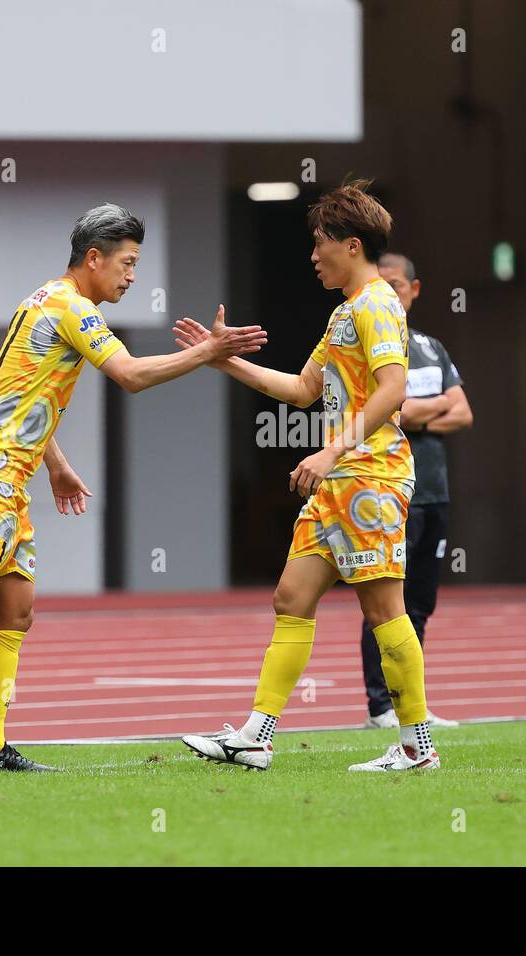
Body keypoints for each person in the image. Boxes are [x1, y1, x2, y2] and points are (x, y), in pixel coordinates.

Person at [0, 204, 266, 774]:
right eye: (127, 263)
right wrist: (208, 352)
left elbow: (16, 390)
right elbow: (131, 376)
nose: (132, 276)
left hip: (10, 475)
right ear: (94, 259)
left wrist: (54, 461)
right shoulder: (73, 308)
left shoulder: (43, 299)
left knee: (15, 608)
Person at [175, 180, 440, 772]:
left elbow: (393, 390)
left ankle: (418, 748)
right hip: (340, 481)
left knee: (384, 612)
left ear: (352, 244)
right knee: (291, 598)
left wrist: (328, 453)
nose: (313, 255)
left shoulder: (376, 304)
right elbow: (302, 389)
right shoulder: (344, 312)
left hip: (370, 477)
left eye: (320, 243)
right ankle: (256, 736)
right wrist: (223, 360)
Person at [359, 252, 472, 729]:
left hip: (434, 490)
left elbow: (464, 413)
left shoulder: (430, 346)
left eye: (398, 285)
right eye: (382, 284)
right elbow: (388, 413)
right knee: (386, 602)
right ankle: (381, 706)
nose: (391, 292)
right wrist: (435, 405)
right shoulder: (373, 342)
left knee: (421, 603)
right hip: (390, 490)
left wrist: (415, 410)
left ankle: (412, 706)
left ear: (414, 289)